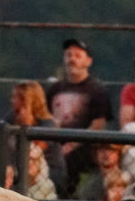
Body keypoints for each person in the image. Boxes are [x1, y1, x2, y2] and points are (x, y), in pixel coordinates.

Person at [46, 38, 115, 190]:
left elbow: (98, 125)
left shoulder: (97, 90)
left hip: (84, 146)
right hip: (55, 144)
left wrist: (71, 145)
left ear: (88, 61)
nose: (72, 59)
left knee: (70, 161)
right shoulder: (54, 89)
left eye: (77, 56)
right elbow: (47, 119)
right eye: (68, 55)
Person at [0, 82, 66, 193]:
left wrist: (26, 123)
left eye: (16, 97)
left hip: (48, 175)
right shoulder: (12, 116)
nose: (12, 100)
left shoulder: (47, 123)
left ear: (27, 100)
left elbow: (33, 153)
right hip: (18, 171)